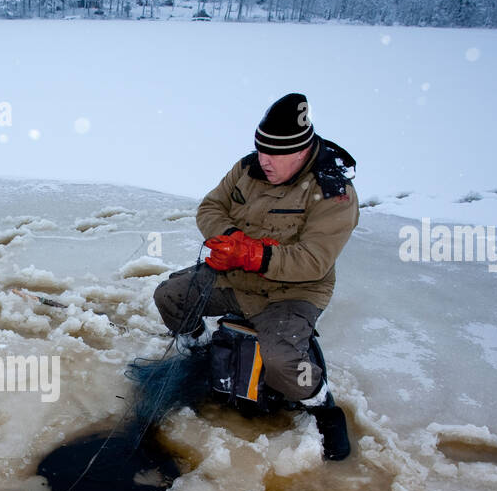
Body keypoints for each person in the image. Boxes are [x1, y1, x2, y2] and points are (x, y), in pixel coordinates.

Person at [153, 92, 358, 459]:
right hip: (235, 279)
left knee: (283, 366)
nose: (264, 161)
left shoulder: (333, 192)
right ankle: (201, 347)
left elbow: (314, 260)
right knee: (170, 296)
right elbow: (211, 207)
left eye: (274, 154)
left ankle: (323, 405)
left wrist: (253, 255)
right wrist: (230, 239)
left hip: (291, 292)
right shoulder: (248, 169)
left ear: (301, 151)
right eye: (260, 150)